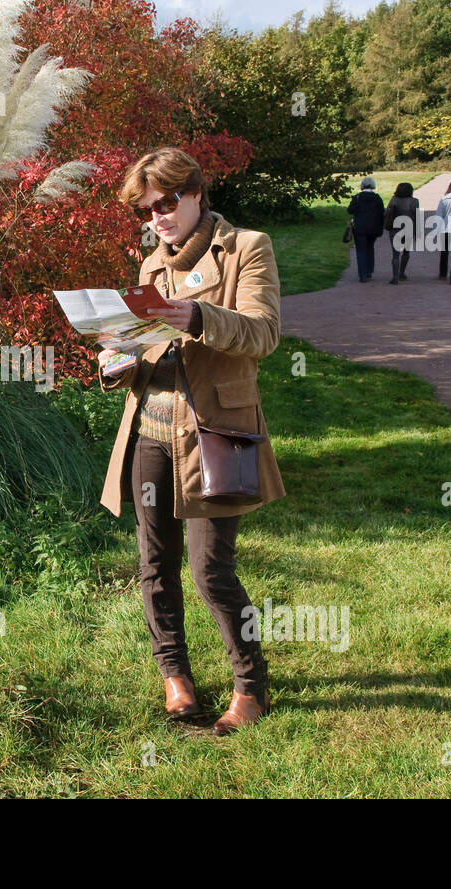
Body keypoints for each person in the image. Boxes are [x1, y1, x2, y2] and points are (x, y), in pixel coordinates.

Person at [95, 146, 286, 736]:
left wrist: (195, 317)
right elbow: (147, 345)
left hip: (215, 434)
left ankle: (249, 685)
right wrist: (117, 360)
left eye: (166, 202)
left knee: (211, 569)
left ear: (197, 192)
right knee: (155, 562)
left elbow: (264, 334)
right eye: (146, 210)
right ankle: (174, 675)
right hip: (149, 429)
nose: (157, 217)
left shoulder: (247, 248)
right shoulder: (152, 262)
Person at [347, 176, 385, 282]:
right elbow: (382, 213)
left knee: (361, 250)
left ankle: (362, 274)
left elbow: (349, 211)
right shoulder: (377, 198)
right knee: (370, 248)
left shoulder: (357, 197)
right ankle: (369, 271)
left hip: (360, 227)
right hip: (374, 227)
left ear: (362, 186)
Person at [384, 182, 419, 284]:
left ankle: (395, 277)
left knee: (395, 254)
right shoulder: (415, 201)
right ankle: (402, 272)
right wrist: (417, 232)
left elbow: (386, 213)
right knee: (406, 253)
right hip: (409, 229)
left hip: (395, 229)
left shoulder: (394, 200)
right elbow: (417, 217)